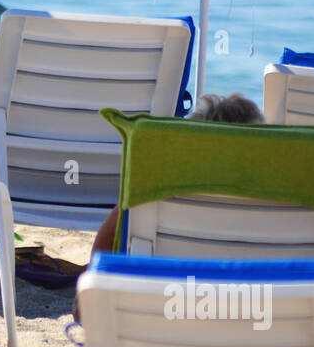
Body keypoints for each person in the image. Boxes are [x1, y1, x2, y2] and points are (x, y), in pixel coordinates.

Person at [75, 92, 265, 307]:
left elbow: (107, 241)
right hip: (253, 309)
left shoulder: (158, 191)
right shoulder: (275, 205)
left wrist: (91, 296)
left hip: (164, 309)